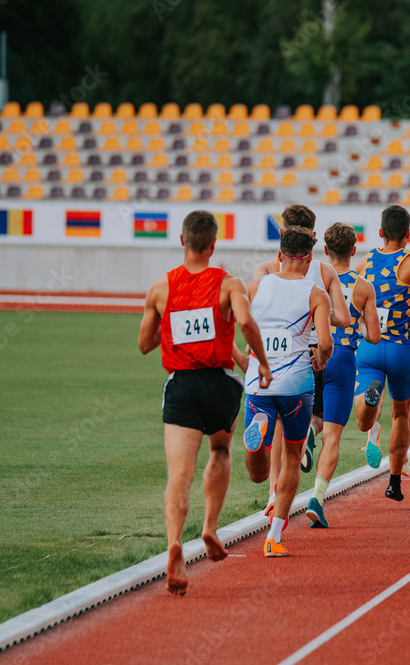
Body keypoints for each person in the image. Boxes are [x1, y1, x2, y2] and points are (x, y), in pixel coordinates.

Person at [137, 210, 272, 595]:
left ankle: (174, 544)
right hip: (220, 384)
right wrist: (260, 362)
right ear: (213, 245)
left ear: (182, 241)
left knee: (179, 474)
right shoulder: (229, 284)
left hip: (180, 385)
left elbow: (145, 345)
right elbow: (245, 324)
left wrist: (172, 325)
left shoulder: (160, 289)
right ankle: (210, 527)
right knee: (220, 450)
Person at [252, 204, 351, 520]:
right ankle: (285, 499)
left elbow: (253, 314)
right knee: (304, 425)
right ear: (313, 236)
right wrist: (316, 314)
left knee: (277, 427)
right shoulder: (324, 271)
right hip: (309, 356)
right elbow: (345, 318)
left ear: (283, 234)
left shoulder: (265, 269)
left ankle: (272, 493)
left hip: (270, 356)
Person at [240, 226, 333, 556]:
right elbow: (325, 343)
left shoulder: (255, 286)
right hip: (296, 388)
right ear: (308, 260)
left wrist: (246, 361)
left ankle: (259, 431)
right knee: (292, 457)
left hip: (259, 384)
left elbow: (239, 326)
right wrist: (319, 360)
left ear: (280, 256)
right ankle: (274, 537)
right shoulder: (315, 294)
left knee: (258, 473)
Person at [305, 223, 381, 527]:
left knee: (311, 419)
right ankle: (316, 499)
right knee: (333, 436)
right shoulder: (364, 287)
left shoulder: (315, 276)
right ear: (353, 251)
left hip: (310, 355)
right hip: (343, 358)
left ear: (325, 250)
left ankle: (308, 431)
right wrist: (358, 326)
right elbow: (374, 336)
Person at [354, 205, 410, 501]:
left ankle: (371, 409)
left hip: (369, 345)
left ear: (381, 233)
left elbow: (352, 304)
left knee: (363, 419)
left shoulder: (363, 263)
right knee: (401, 414)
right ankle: (394, 482)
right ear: (408, 235)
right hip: (401, 350)